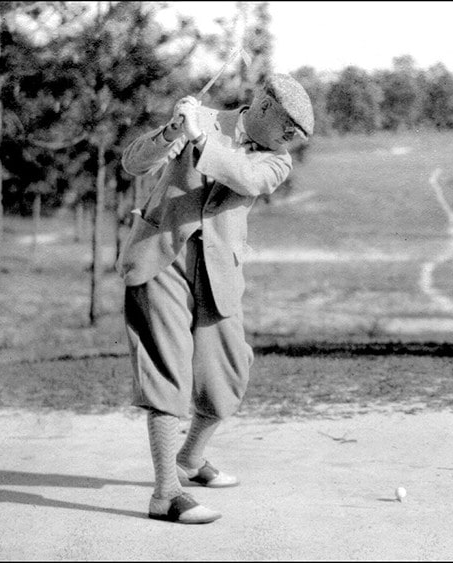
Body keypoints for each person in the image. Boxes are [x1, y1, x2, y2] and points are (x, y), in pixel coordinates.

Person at [117, 74, 314, 524]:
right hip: (161, 258)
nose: (288, 142)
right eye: (286, 130)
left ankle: (189, 459)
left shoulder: (277, 162)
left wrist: (199, 138)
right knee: (168, 368)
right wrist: (172, 131)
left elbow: (243, 177)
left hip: (219, 271)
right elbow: (134, 163)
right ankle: (166, 493)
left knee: (228, 371)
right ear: (264, 107)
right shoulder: (196, 117)